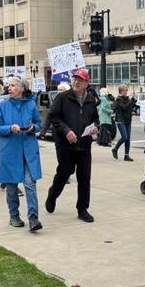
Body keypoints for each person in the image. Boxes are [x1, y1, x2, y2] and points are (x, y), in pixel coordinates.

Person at [45, 69, 99, 222]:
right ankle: (52, 195)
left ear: (86, 83)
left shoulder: (90, 100)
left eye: (80, 80)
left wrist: (96, 127)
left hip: (84, 146)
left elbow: (95, 119)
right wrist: (66, 130)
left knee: (84, 178)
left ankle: (82, 209)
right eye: (74, 79)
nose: (76, 82)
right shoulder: (63, 97)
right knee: (63, 174)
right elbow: (53, 117)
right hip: (66, 146)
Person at [0, 76, 43, 231]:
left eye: (13, 85)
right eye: (8, 85)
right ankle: (14, 215)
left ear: (22, 88)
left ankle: (33, 218)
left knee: (29, 183)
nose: (9, 88)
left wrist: (32, 128)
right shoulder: (3, 106)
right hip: (10, 150)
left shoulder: (31, 105)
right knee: (12, 186)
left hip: (28, 150)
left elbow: (38, 123)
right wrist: (9, 128)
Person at [112, 84, 137, 161]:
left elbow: (130, 108)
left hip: (128, 120)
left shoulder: (128, 99)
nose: (126, 92)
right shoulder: (118, 99)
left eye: (126, 90)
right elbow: (124, 107)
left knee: (128, 138)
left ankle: (126, 155)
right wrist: (130, 102)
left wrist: (133, 103)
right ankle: (115, 149)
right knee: (124, 137)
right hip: (120, 120)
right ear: (121, 91)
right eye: (124, 90)